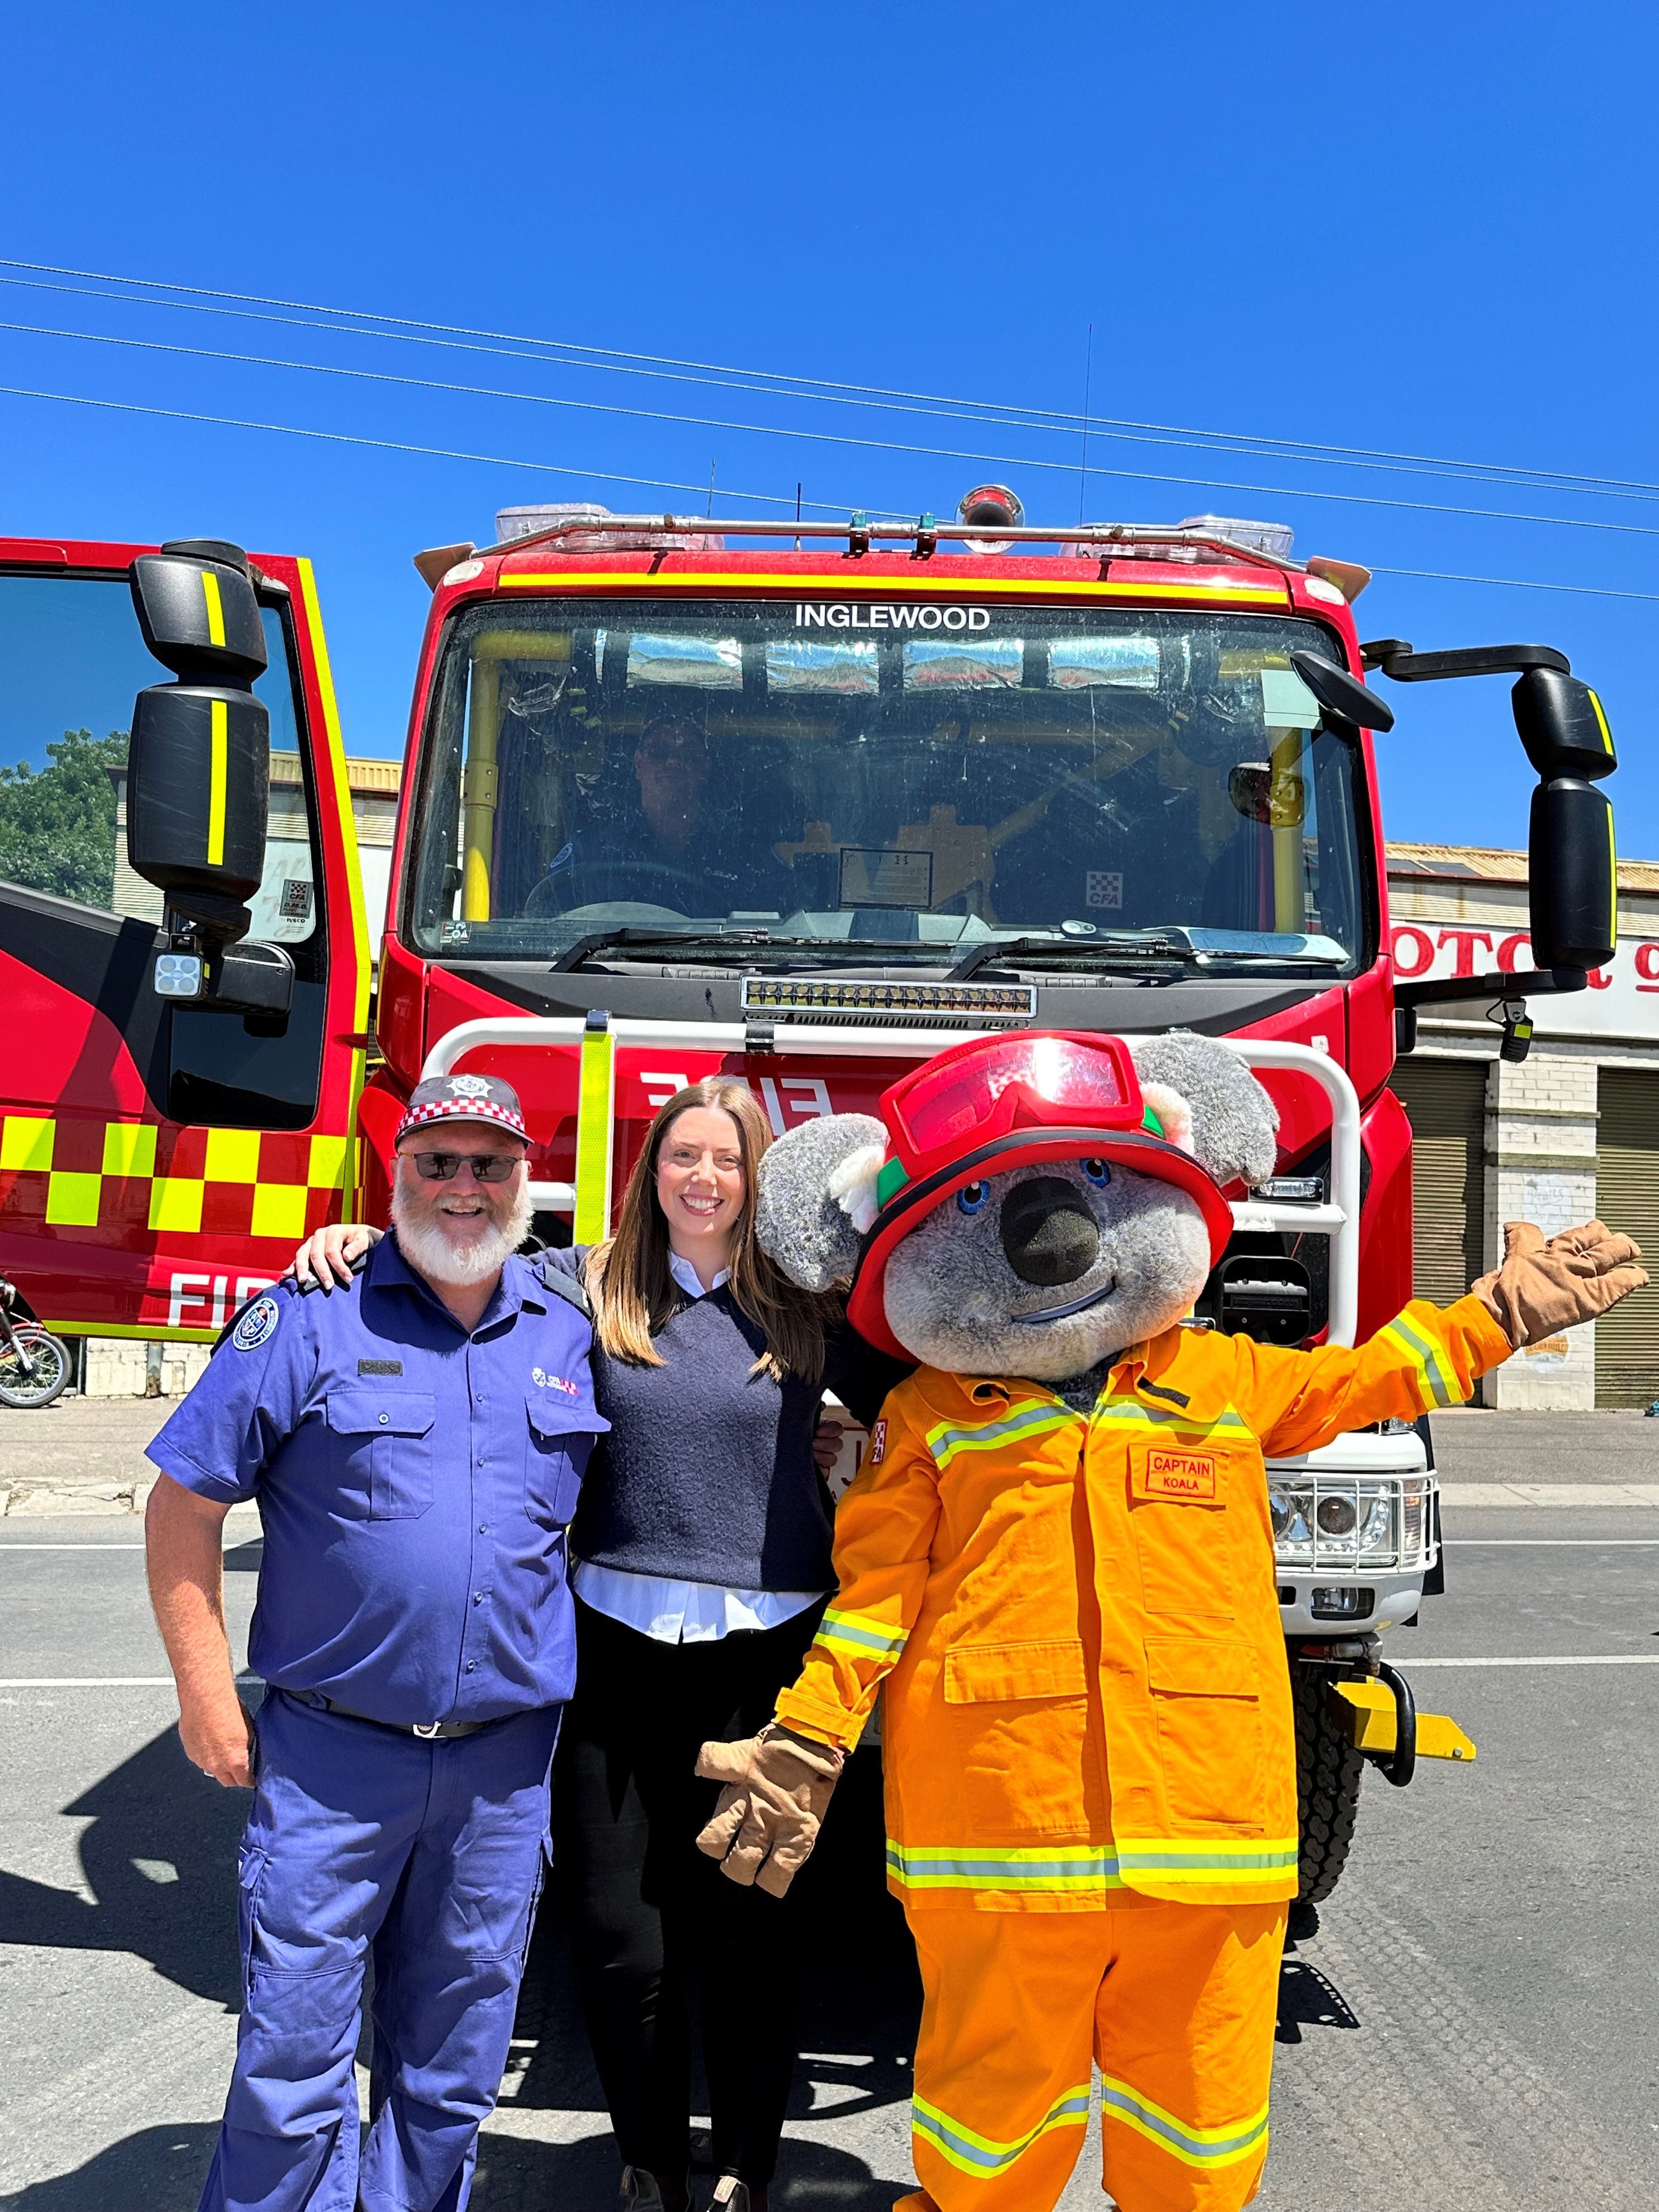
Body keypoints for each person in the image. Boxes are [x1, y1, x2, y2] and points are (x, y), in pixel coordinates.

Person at [294, 1077, 908, 2212]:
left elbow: (938, 1364)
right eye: (684, 1157)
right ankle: (653, 2166)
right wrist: (354, 1240)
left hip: (762, 1669)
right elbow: (447, 1261)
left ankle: (747, 2168)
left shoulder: (814, 1316)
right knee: (623, 1944)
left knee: (747, 1934)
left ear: (756, 1179)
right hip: (611, 1659)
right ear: (652, 1172)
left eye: (728, 1161)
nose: (704, 1179)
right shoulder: (576, 1288)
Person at [145, 1073, 606, 2212]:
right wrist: (208, 1697)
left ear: (525, 1186)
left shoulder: (571, 1331)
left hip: (503, 1769)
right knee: (293, 2065)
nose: (463, 1188)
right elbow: (182, 1505)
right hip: (334, 1761)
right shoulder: (310, 1310)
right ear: (395, 1177)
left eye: (488, 1166)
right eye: (437, 1163)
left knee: (453, 2068)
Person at [526, 714, 793, 919]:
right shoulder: (591, 852)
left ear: (705, 768)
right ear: (639, 764)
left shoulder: (742, 857)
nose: (673, 762)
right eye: (659, 752)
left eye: (688, 754)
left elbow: (782, 930)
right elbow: (548, 928)